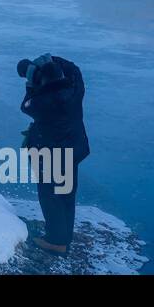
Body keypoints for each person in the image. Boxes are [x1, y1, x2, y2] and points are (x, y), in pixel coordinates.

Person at [18, 53, 90, 255]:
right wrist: (51, 60)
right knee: (67, 192)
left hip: (51, 155)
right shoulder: (75, 91)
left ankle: (56, 241)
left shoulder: (41, 102)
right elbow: (75, 70)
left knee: (50, 195)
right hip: (73, 149)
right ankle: (64, 235)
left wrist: (32, 78)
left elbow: (25, 105)